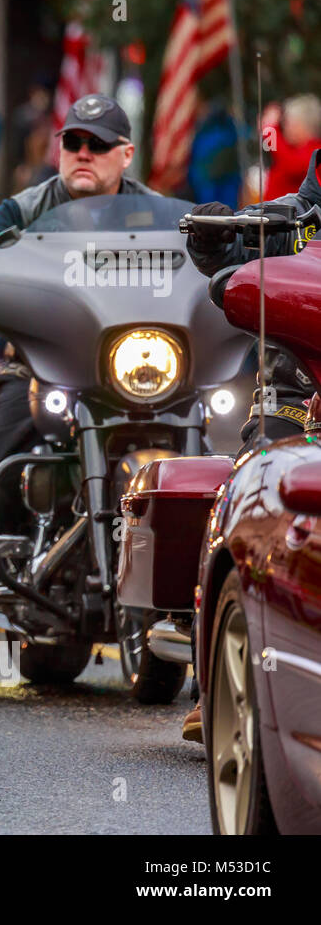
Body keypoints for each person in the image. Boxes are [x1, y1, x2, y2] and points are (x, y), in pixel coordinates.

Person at [0, 94, 158, 691]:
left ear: (125, 154)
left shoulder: (157, 216)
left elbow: (203, 262)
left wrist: (223, 249)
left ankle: (200, 618)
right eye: (74, 142)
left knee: (197, 464)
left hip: (140, 371)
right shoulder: (26, 208)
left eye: (98, 144)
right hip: (42, 368)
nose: (83, 153)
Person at [178, 143, 321, 744]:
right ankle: (212, 681)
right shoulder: (312, 204)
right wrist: (222, 239)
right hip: (304, 384)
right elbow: (291, 223)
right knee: (252, 494)